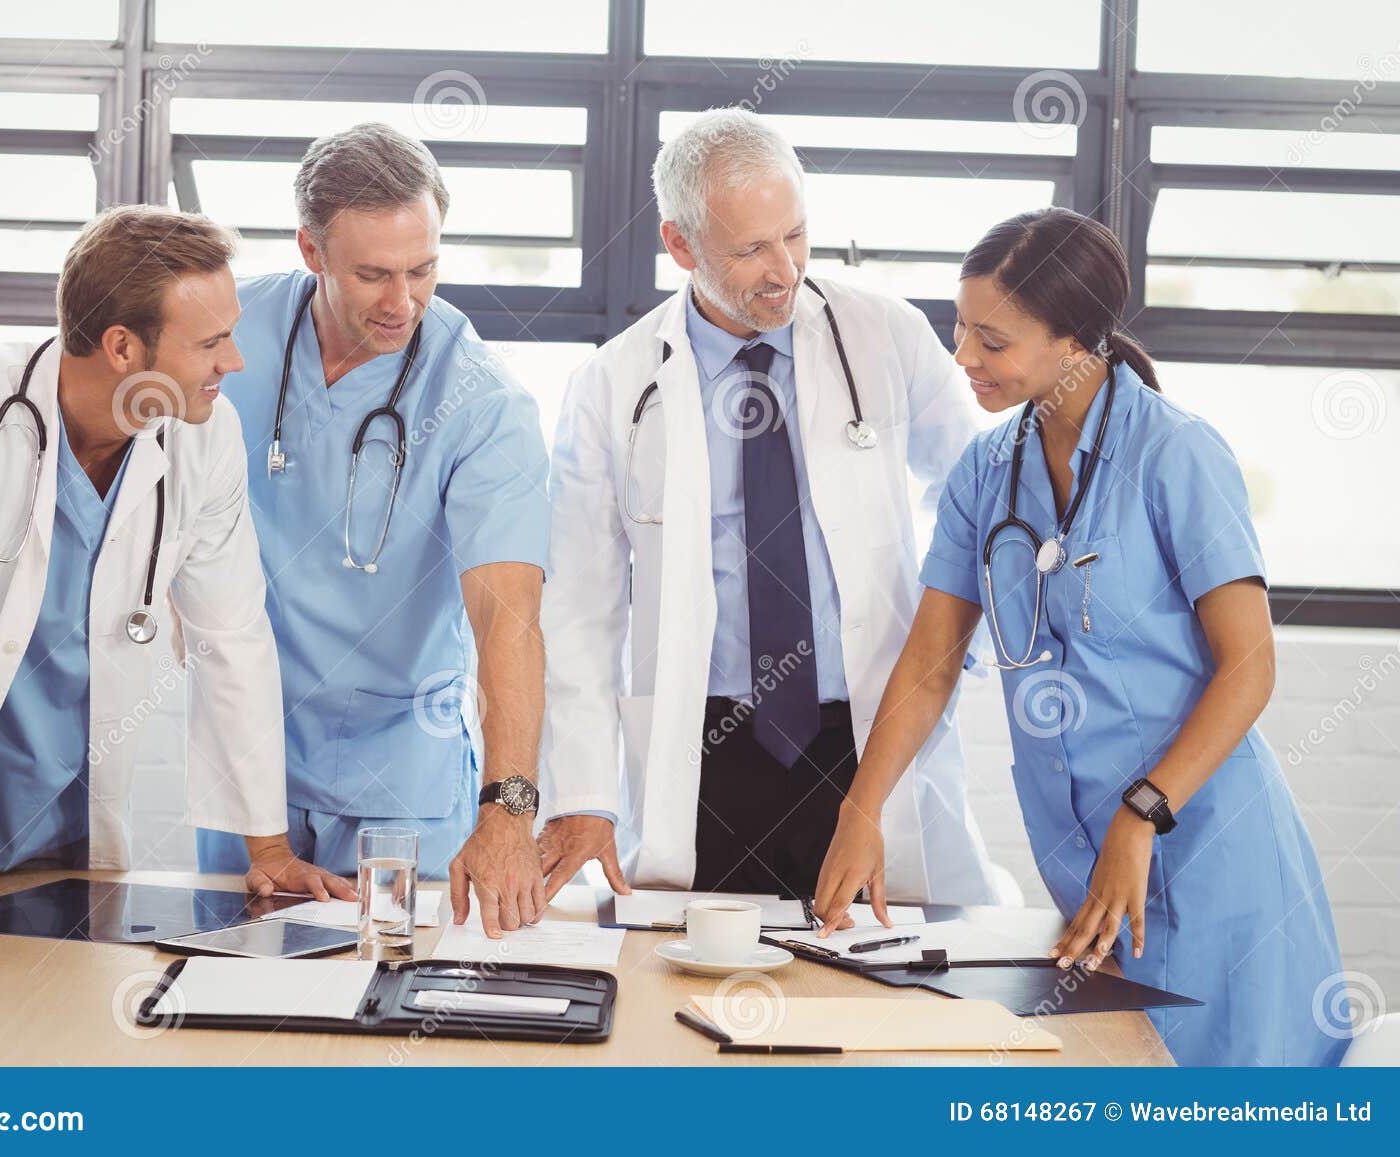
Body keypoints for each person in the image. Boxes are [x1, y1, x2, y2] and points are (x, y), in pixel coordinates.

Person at [812, 206, 1348, 1066]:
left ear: (1074, 341)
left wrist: (1143, 812)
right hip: (1089, 873)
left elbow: (1249, 667)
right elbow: (931, 658)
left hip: (1214, 856)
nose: (963, 357)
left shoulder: (1176, 454)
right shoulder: (986, 472)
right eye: (960, 328)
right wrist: (862, 805)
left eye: (993, 340)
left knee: (1237, 1104)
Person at [0, 206, 344, 950]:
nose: (235, 362)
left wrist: (269, 847)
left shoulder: (204, 438)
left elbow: (233, 639)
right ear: (122, 346)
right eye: (211, 342)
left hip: (65, 841)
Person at [537, 108, 996, 906]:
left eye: (796, 234)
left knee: (878, 965)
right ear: (681, 245)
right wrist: (583, 791)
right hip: (705, 746)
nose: (784, 270)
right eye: (750, 250)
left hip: (865, 735)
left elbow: (980, 500)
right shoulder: (613, 384)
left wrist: (954, 646)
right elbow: (578, 606)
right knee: (694, 969)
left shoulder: (883, 335)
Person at [196, 124, 552, 938]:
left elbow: (509, 617)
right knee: (225, 983)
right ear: (311, 250)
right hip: (247, 759)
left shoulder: (483, 402)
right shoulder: (230, 332)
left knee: (387, 988)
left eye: (422, 269)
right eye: (373, 274)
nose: (402, 302)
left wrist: (509, 810)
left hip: (399, 779)